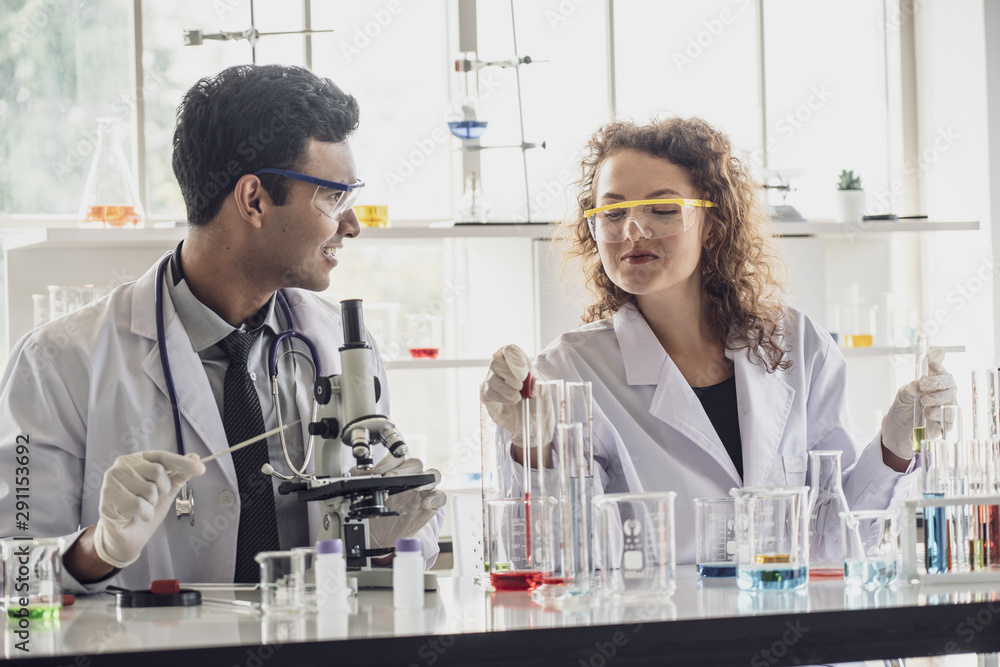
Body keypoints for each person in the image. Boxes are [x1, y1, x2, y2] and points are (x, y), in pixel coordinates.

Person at [0, 64, 444, 593]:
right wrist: (100, 548)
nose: (352, 225)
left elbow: (379, 535)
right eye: (333, 198)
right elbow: (14, 573)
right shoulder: (57, 362)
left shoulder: (341, 346)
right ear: (253, 200)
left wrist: (389, 541)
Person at [481, 116, 956, 565]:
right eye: (612, 212)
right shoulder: (569, 371)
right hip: (661, 639)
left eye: (663, 209)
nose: (633, 230)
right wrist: (533, 448)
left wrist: (894, 447)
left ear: (713, 226)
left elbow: (837, 538)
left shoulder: (797, 345)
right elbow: (553, 558)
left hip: (792, 630)